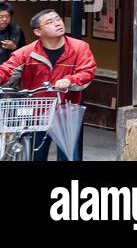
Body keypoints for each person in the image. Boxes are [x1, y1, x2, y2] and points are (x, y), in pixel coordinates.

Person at [0, 9, 96, 161]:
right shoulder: (26, 52)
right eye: (50, 22)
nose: (57, 23)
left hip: (66, 109)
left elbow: (87, 72)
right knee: (35, 154)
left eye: (58, 19)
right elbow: (6, 70)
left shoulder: (79, 47)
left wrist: (70, 80)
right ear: (38, 31)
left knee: (69, 156)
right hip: (36, 110)